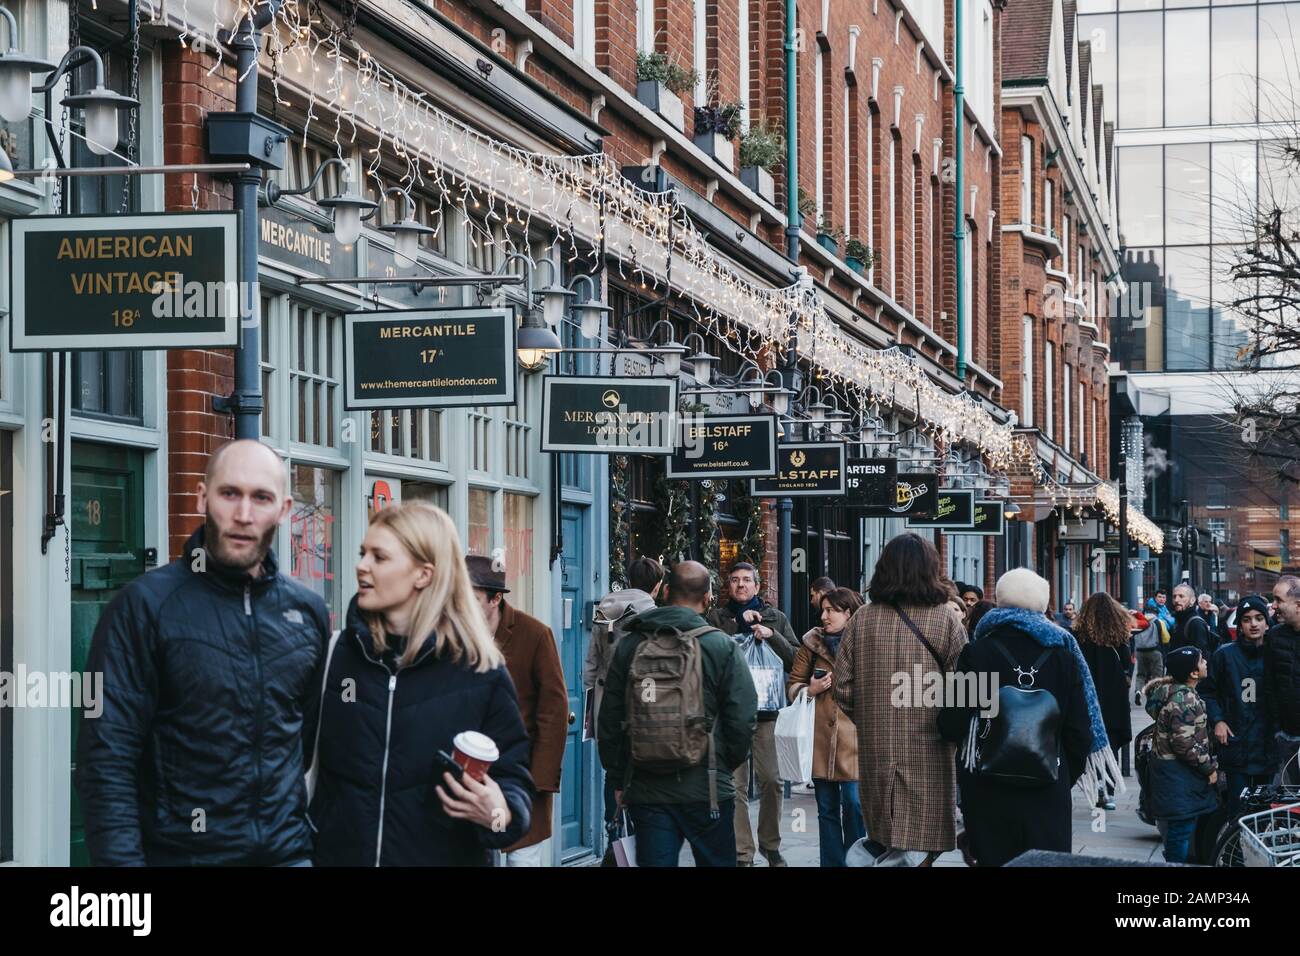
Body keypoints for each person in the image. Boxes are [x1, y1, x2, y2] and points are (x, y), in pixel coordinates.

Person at [76, 440, 330, 866]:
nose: (243, 515)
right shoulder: (146, 606)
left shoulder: (306, 613)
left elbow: (299, 744)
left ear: (284, 510)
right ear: (201, 497)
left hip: (287, 856)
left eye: (261, 498)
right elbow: (107, 761)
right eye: (229, 493)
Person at [308, 503, 533, 866]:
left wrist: (499, 811)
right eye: (363, 553)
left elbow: (513, 783)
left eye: (379, 557)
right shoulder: (335, 656)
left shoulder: (482, 673)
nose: (361, 565)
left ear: (423, 575)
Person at [938, 570, 1111, 867]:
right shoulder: (1064, 656)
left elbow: (952, 722)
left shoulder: (978, 653)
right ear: (1043, 605)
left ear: (1000, 602)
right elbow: (1079, 732)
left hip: (988, 790)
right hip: (1047, 789)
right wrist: (1062, 776)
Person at [598, 561, 757, 867]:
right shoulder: (720, 646)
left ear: (666, 591)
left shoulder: (631, 644)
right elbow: (743, 717)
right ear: (708, 597)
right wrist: (723, 763)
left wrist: (618, 778)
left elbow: (610, 719)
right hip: (708, 788)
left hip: (647, 788)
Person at [835, 533, 966, 866]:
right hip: (931, 747)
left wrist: (869, 716)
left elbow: (843, 687)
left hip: (878, 746)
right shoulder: (946, 619)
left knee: (885, 833)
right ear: (929, 569)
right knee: (924, 836)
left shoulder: (861, 619)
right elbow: (962, 688)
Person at [469, 554, 569, 867]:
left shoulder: (535, 634)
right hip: (470, 773)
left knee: (522, 860)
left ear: (495, 598)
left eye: (470, 598)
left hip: (522, 772)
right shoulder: (452, 634)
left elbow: (554, 709)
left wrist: (539, 779)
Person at [707, 561, 798, 867]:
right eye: (734, 580)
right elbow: (712, 655)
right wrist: (738, 624)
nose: (741, 585)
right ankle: (742, 853)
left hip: (767, 713)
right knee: (734, 786)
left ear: (758, 586)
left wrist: (770, 634)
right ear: (728, 587)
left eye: (747, 580)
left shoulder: (776, 617)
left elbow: (796, 660)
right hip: (730, 714)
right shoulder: (717, 618)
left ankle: (770, 846)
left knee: (772, 780)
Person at [788, 587, 864, 867]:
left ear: (848, 612)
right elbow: (792, 686)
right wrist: (810, 688)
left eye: (831, 610)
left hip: (855, 739)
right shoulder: (811, 643)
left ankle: (857, 861)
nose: (824, 616)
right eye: (823, 609)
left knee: (854, 805)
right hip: (819, 738)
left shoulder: (865, 642)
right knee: (826, 809)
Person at [585, 557, 664, 823]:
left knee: (614, 772)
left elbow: (591, 663)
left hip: (606, 704)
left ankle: (614, 830)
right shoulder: (655, 615)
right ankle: (643, 830)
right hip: (644, 705)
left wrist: (590, 710)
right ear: (657, 586)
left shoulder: (604, 610)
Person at [1143, 646, 1219, 864]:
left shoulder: (1174, 693)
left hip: (1173, 775)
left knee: (1179, 828)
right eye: (1202, 661)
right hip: (1178, 776)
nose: (1205, 663)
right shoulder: (1184, 700)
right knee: (1180, 831)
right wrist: (1209, 768)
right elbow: (1184, 744)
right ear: (1193, 673)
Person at [1201, 594, 1274, 816]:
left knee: (1265, 809)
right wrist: (1218, 720)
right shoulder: (1225, 655)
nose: (1253, 624)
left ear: (1266, 623)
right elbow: (1207, 691)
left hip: (1268, 744)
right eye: (1247, 619)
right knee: (1238, 808)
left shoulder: (1276, 653)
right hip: (1236, 741)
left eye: (1259, 618)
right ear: (1240, 624)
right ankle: (1237, 850)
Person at [1075, 594, 1135, 811]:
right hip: (1113, 698)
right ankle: (1108, 790)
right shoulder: (1119, 635)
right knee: (1111, 742)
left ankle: (1093, 784)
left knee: (1088, 741)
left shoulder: (1079, 635)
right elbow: (1127, 664)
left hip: (1087, 695)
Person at [1266, 576, 1300, 784]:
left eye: (1278, 600)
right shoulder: (1275, 635)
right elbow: (1270, 684)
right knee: (1291, 799)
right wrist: (1278, 729)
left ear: (1298, 604)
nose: (1274, 605)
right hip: (1286, 735)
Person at [1131, 608, 1169, 704]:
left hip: (1140, 652)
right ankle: (1155, 697)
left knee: (1141, 675)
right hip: (1155, 651)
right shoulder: (1158, 622)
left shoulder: (1138, 622)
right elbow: (1166, 638)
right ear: (1156, 613)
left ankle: (1138, 691)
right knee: (1157, 676)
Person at [1170, 583, 1214, 656]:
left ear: (1192, 600)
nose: (1176, 600)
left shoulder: (1196, 623)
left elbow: (1202, 656)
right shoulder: (1179, 620)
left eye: (1181, 596)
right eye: (1174, 596)